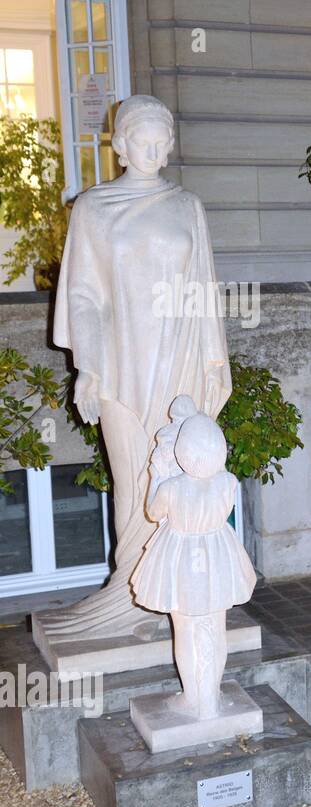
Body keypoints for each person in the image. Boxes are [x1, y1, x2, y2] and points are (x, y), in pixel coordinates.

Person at [38, 94, 231, 652]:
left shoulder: (186, 204)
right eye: (139, 138)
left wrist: (214, 363)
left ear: (169, 144)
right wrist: (89, 371)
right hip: (122, 363)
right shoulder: (93, 208)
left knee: (176, 471)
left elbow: (202, 289)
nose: (151, 148)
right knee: (134, 481)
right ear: (118, 144)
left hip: (178, 362)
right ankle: (132, 592)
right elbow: (83, 295)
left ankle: (172, 591)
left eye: (160, 139)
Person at [131, 409, 256, 720]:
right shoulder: (228, 481)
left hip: (182, 557)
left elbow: (153, 512)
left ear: (182, 451)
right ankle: (210, 698)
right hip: (217, 554)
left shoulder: (171, 487)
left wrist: (157, 475)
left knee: (185, 630)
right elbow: (222, 505)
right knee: (216, 628)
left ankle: (193, 699)